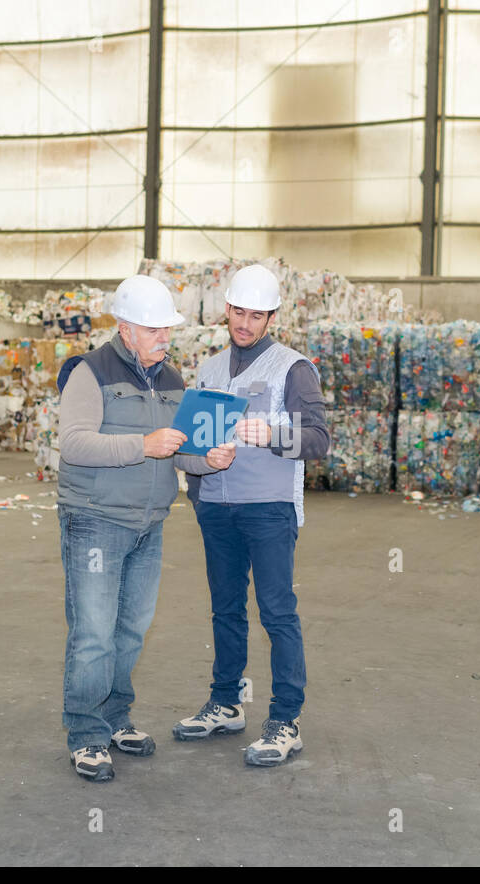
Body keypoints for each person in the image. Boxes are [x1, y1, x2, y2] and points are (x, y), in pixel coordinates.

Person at [56, 274, 235, 782]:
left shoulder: (173, 378)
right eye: (155, 329)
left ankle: (115, 719)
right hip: (95, 520)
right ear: (126, 327)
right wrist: (143, 444)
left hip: (149, 523)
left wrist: (211, 459)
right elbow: (74, 444)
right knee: (93, 633)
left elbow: (181, 453)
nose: (165, 338)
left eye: (167, 330)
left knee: (130, 631)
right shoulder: (89, 372)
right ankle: (86, 734)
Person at [172, 263, 330, 766]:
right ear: (227, 309)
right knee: (225, 610)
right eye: (238, 311)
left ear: (271, 316)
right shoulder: (210, 369)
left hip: (268, 509)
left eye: (255, 314)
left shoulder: (293, 368)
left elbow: (319, 439)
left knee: (277, 612)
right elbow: (189, 443)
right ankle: (226, 704)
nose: (244, 322)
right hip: (216, 510)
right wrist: (199, 481)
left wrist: (274, 436)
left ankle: (286, 720)